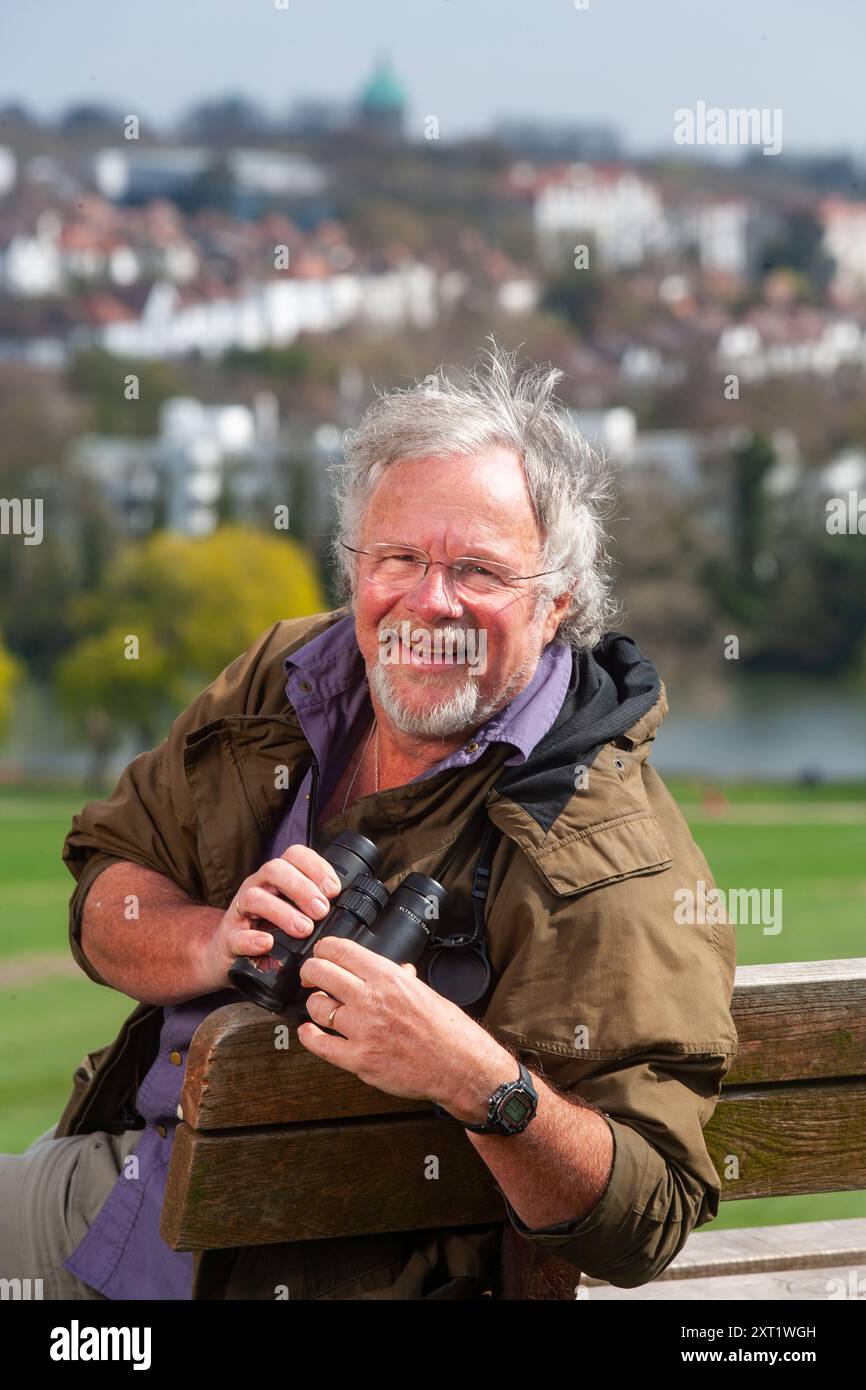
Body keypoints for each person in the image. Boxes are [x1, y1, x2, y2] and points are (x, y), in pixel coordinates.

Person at [0, 342, 737, 1300]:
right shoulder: (292, 675)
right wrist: (214, 941)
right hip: (134, 1199)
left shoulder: (608, 863)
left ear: (556, 603)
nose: (428, 603)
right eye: (397, 558)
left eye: (477, 569)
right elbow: (107, 884)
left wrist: (478, 1080)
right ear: (354, 567)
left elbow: (649, 1220)